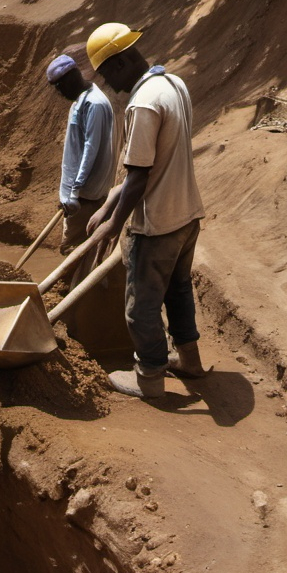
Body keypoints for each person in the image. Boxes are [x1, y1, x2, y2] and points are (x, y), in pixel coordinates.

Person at [82, 22, 208, 399]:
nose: (108, 85)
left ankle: (149, 378)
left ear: (120, 63)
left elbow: (139, 177)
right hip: (187, 214)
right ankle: (190, 361)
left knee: (140, 307)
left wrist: (112, 225)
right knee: (179, 291)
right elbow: (163, 161)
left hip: (158, 225)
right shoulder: (173, 85)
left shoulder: (142, 104)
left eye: (106, 74)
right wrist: (108, 200)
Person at [46, 53, 115, 285]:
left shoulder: (94, 104)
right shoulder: (81, 101)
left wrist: (74, 192)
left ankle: (78, 298)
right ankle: (82, 292)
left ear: (71, 78)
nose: (59, 93)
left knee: (74, 249)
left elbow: (90, 149)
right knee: (77, 249)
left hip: (85, 195)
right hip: (76, 195)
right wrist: (66, 193)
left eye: (59, 87)